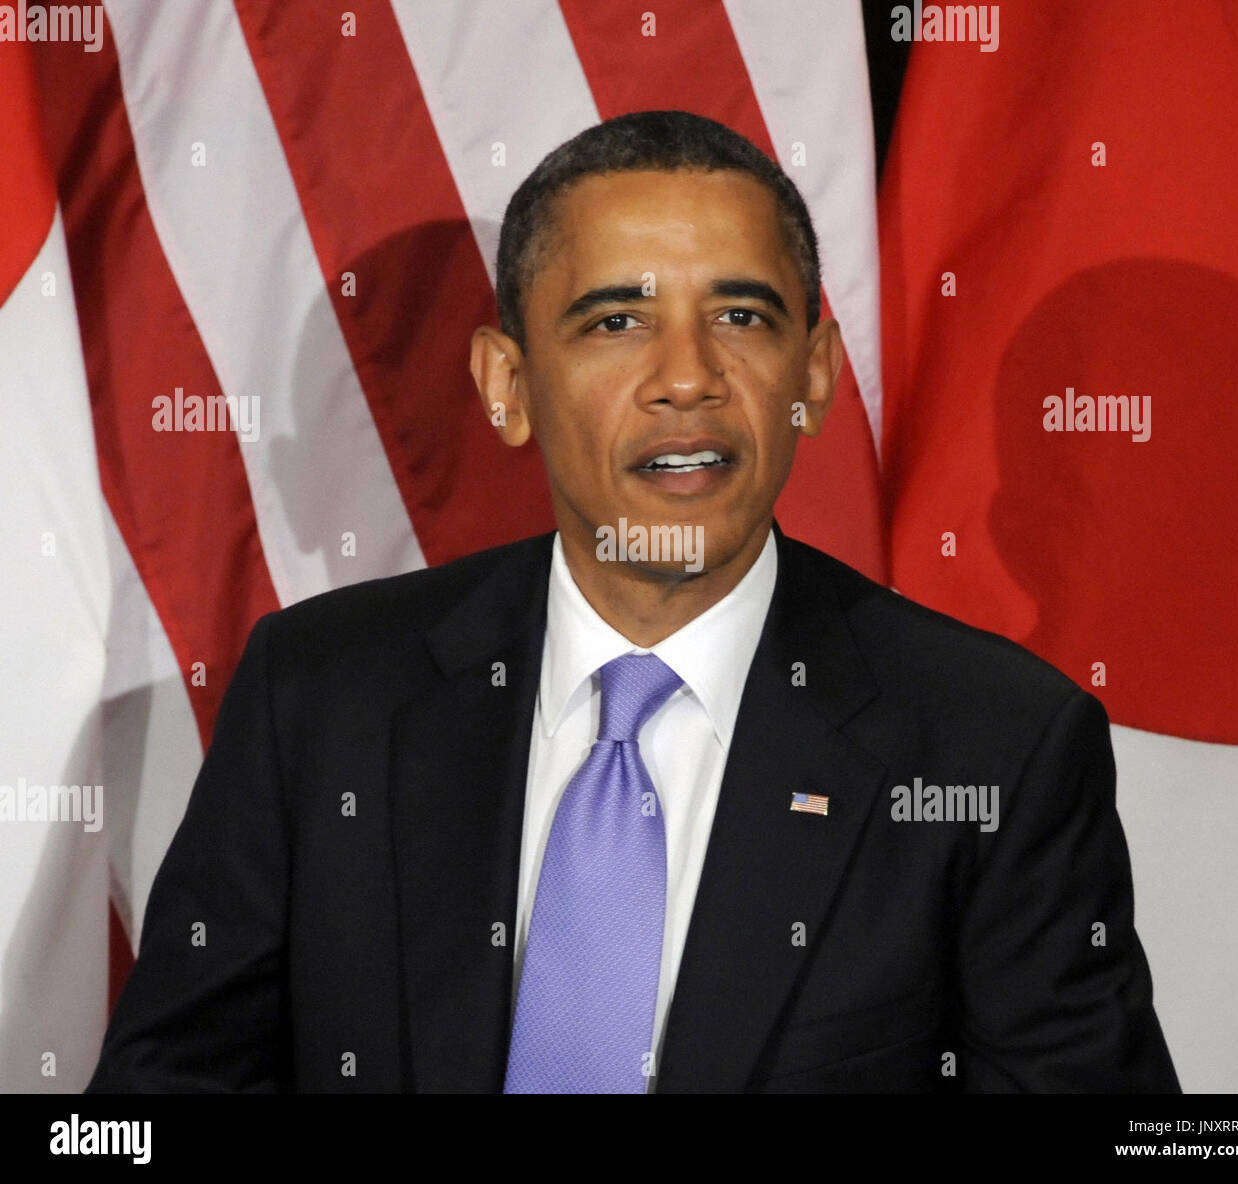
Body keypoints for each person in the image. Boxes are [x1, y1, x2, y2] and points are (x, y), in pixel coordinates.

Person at [87, 110, 1179, 1094]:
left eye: (742, 316)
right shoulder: (321, 695)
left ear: (814, 375)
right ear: (506, 385)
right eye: (616, 322)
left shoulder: (993, 743)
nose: (687, 375)